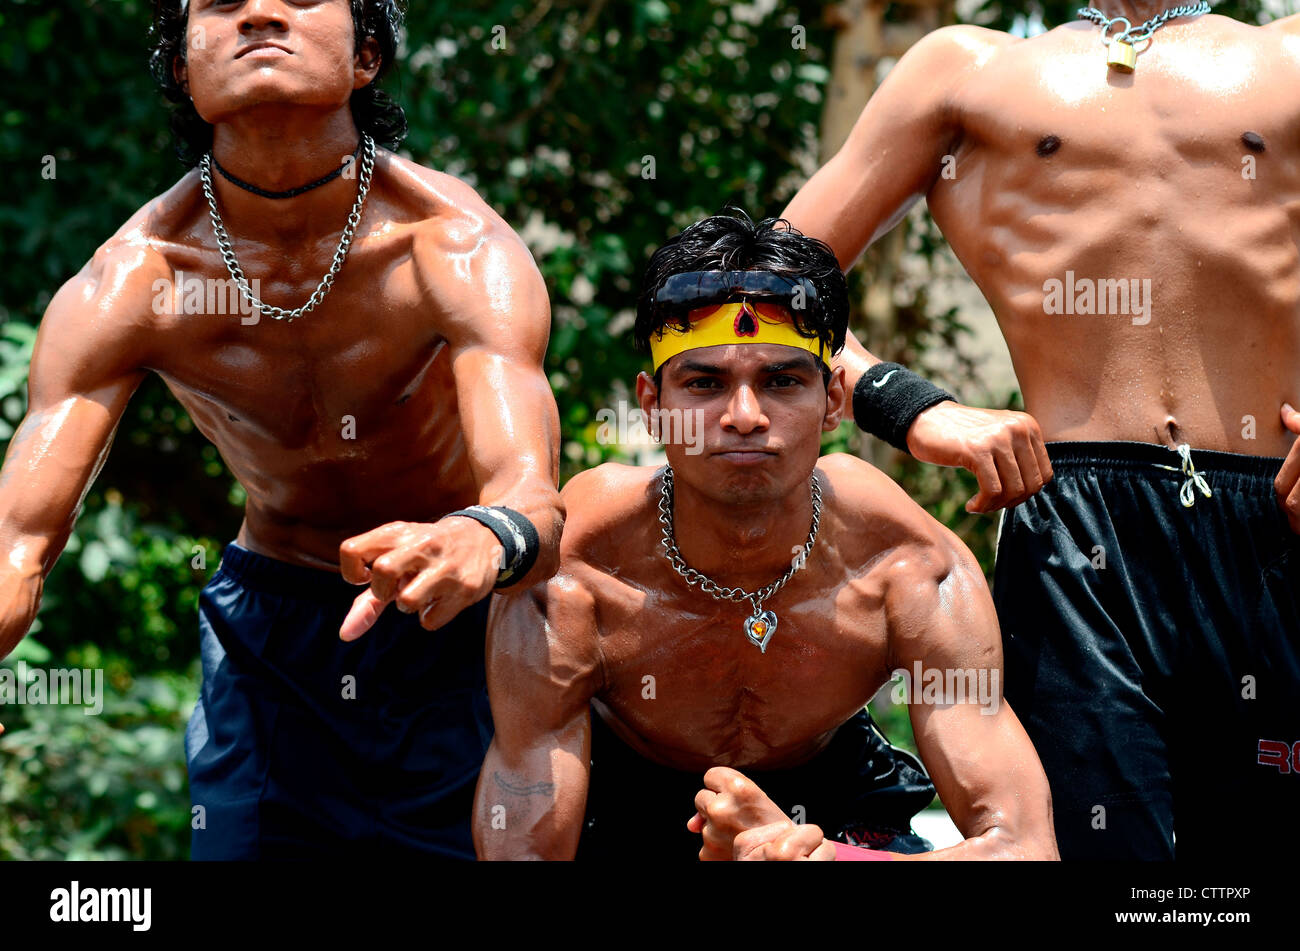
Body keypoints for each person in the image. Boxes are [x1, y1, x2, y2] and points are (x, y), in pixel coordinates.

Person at [0, 0, 562, 859]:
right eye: (221, 0)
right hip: (272, 633)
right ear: (183, 71)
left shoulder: (452, 249)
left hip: (465, 621)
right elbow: (16, 547)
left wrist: (485, 539)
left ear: (366, 54)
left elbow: (532, 497)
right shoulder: (135, 279)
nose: (260, 11)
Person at [781, 3, 1300, 858]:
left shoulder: (1286, 57)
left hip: (1275, 522)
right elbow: (773, 283)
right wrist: (909, 404)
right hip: (1072, 534)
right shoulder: (965, 72)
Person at [472, 212, 1057, 861]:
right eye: (705, 383)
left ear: (835, 399)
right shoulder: (572, 569)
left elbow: (1024, 848)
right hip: (619, 809)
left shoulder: (909, 563)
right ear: (652, 402)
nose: (745, 417)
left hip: (837, 810)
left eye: (781, 381)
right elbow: (522, 851)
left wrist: (828, 864)